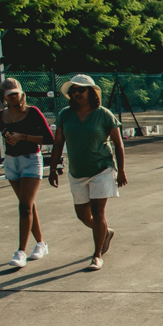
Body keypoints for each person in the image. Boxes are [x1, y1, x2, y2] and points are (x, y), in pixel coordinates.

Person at [0, 77, 54, 268]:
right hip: (11, 162)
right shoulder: (0, 116)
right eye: (9, 95)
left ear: (22, 93)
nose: (14, 98)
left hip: (31, 159)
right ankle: (41, 244)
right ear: (4, 98)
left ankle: (20, 252)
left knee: (24, 207)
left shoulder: (33, 112)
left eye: (16, 94)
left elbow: (50, 138)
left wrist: (22, 137)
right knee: (27, 205)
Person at [48, 74, 127, 271]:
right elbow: (58, 143)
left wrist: (122, 170)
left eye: (81, 89)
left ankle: (97, 255)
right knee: (82, 215)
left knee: (98, 211)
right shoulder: (65, 115)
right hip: (77, 171)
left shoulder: (104, 114)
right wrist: (52, 169)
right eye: (73, 90)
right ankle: (104, 232)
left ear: (91, 92)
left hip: (102, 168)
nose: (76, 93)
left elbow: (118, 143)